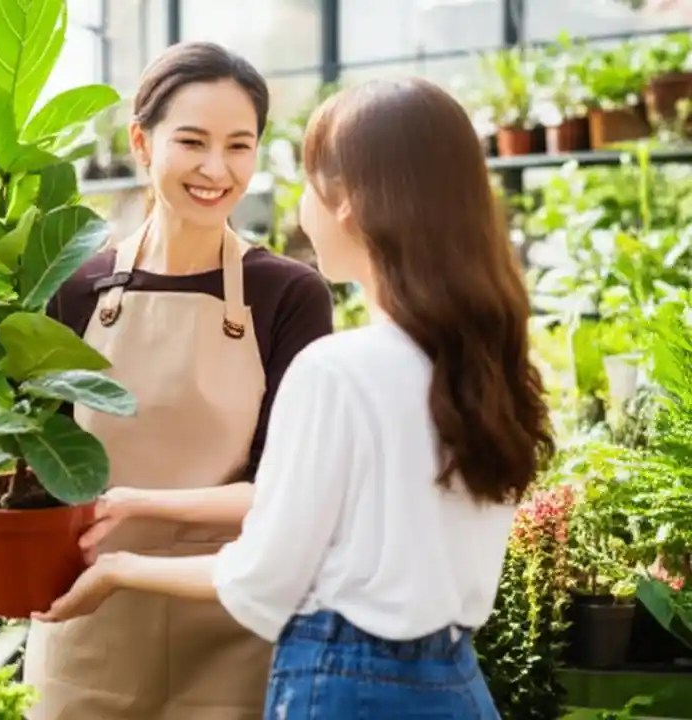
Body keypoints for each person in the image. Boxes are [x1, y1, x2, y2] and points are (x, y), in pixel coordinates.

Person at [32, 77, 557, 718]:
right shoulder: (487, 370)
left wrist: (117, 570)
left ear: (349, 204)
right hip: (454, 684)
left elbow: (262, 581)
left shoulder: (336, 369)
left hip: (345, 687)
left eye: (309, 182)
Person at [0, 42, 334, 719]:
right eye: (191, 141)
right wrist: (8, 550)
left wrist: (137, 503)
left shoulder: (288, 294)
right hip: (85, 613)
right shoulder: (72, 289)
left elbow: (290, 490)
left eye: (239, 145)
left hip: (230, 618)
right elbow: (39, 460)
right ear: (141, 142)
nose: (215, 169)